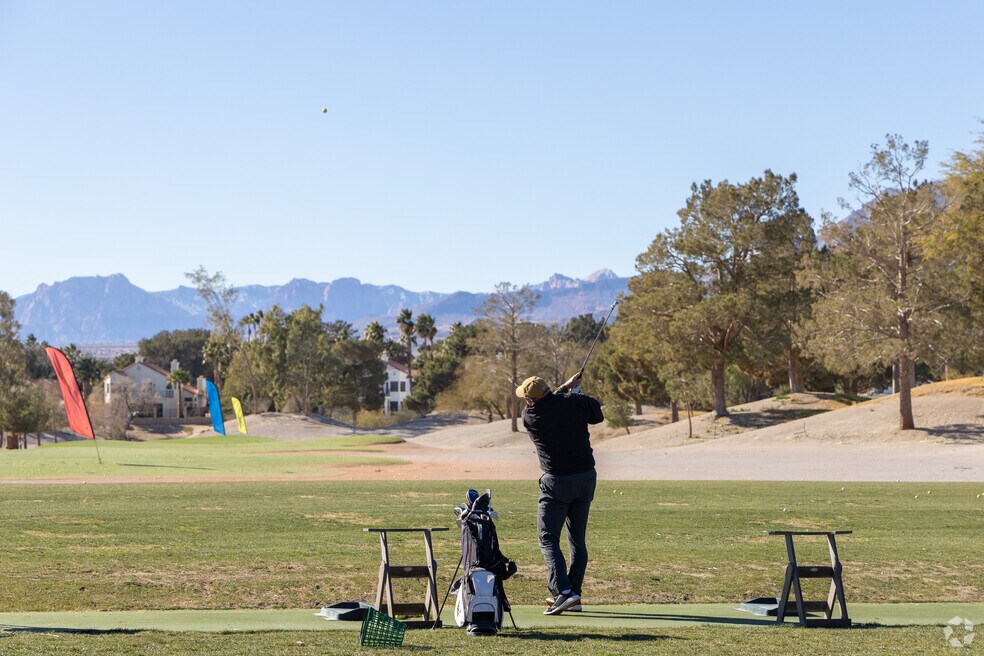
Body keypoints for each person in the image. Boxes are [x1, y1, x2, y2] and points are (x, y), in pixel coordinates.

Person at [516, 371, 604, 616]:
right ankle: (573, 593)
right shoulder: (574, 403)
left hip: (556, 483)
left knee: (547, 538)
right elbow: (596, 415)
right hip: (586, 478)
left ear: (530, 400)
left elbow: (553, 404)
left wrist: (567, 389)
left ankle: (564, 593)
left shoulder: (530, 416)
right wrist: (576, 393)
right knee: (577, 540)